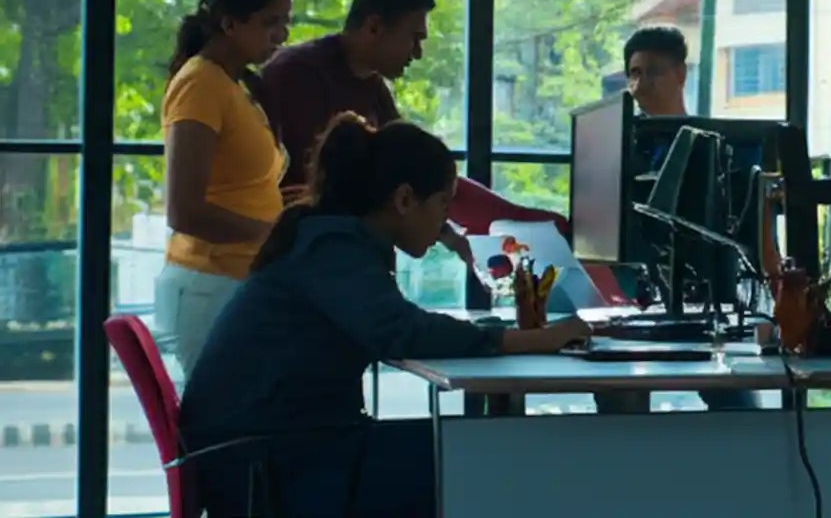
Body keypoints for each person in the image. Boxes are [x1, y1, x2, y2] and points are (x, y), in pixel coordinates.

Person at [181, 113, 591, 517]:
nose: (445, 221)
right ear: (405, 200)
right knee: (493, 455)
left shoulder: (331, 240)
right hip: (266, 469)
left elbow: (395, 325)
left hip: (272, 454)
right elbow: (401, 331)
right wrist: (531, 339)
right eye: (443, 204)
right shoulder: (332, 248)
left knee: (482, 448)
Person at [259, 0, 568, 257]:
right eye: (414, 38)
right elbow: (304, 191)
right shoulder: (297, 75)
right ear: (374, 27)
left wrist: (492, 225)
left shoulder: (373, 88)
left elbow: (420, 171)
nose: (418, 53)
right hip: (294, 251)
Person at [597, 26, 758, 413]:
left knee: (737, 407)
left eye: (654, 71)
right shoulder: (622, 148)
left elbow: (750, 224)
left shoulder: (720, 145)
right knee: (618, 397)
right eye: (634, 73)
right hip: (632, 295)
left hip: (709, 297)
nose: (641, 84)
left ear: (681, 74)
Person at [155, 0, 292, 376]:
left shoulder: (234, 85)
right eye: (270, 22)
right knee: (221, 415)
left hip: (237, 283)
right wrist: (277, 233)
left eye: (286, 21)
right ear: (230, 23)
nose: (282, 35)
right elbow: (184, 211)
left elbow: (237, 188)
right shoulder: (201, 83)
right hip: (208, 287)